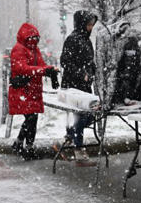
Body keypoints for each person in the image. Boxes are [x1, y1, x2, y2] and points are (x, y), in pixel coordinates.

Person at [8, 22, 57, 160]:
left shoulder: (35, 50)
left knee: (32, 118)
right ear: (24, 37)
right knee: (31, 117)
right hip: (22, 90)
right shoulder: (18, 49)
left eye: (36, 38)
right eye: (31, 38)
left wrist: (49, 70)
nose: (34, 41)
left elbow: (40, 65)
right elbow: (21, 68)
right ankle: (25, 146)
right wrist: (42, 70)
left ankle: (22, 145)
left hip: (33, 90)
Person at [60, 10, 98, 165]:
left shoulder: (86, 40)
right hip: (73, 86)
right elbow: (65, 62)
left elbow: (90, 60)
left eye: (92, 25)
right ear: (82, 24)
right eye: (89, 24)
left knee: (85, 115)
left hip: (84, 86)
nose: (91, 27)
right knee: (82, 115)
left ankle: (71, 137)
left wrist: (93, 71)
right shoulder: (72, 39)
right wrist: (81, 73)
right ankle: (78, 149)